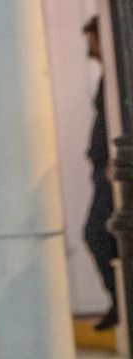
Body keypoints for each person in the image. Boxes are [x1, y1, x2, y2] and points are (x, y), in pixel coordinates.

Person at [85, 16, 118, 332]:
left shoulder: (118, 79)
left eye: (92, 41)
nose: (88, 50)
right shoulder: (110, 78)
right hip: (104, 170)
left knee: (97, 233)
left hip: (111, 172)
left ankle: (121, 300)